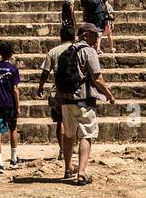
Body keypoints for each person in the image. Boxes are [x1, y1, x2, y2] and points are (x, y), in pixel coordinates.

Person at [54, 23, 117, 184]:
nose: (97, 37)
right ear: (85, 35)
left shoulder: (67, 51)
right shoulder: (89, 52)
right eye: (94, 34)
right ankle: (81, 173)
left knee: (69, 135)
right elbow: (97, 78)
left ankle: (68, 167)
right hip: (84, 100)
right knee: (86, 134)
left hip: (67, 99)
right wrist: (109, 95)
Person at [0, 41, 22, 172]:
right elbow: (15, 89)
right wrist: (18, 106)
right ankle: (14, 159)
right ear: (11, 53)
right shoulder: (13, 69)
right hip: (10, 104)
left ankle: (0, 163)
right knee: (13, 129)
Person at [39, 39, 72, 160]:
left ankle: (63, 150)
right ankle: (72, 147)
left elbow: (45, 72)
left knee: (60, 121)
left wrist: (41, 86)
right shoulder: (77, 50)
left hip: (58, 89)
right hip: (74, 90)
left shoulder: (53, 52)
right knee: (74, 121)